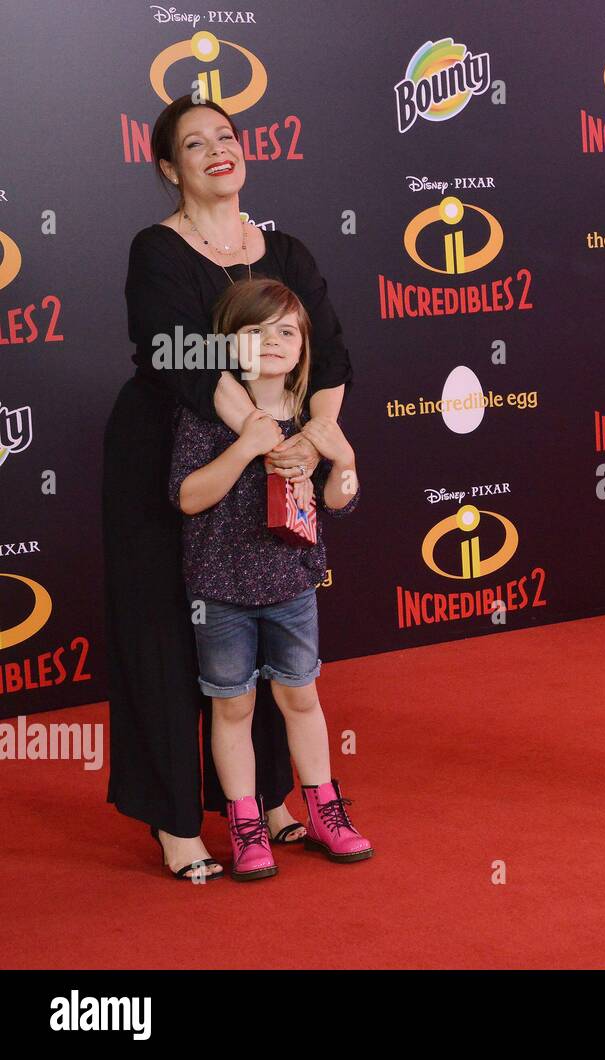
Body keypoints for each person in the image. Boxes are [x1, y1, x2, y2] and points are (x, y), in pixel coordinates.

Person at [105, 97, 353, 880]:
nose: (217, 149)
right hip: (170, 458)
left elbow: (332, 359)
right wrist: (267, 439)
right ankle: (178, 821)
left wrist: (311, 441)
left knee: (265, 631)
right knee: (168, 638)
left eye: (227, 136)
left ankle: (270, 802)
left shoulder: (285, 249)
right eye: (194, 143)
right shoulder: (158, 250)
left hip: (274, 458)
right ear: (169, 169)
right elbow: (182, 357)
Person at [170, 278, 370, 880]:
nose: (273, 342)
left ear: (304, 345)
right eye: (255, 331)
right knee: (232, 708)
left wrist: (346, 462)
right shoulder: (206, 414)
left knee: (301, 698)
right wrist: (245, 447)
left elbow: (338, 501)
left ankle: (325, 810)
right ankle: (245, 821)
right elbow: (186, 497)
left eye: (286, 331)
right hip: (221, 591)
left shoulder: (311, 417)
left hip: (292, 587)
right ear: (229, 344)